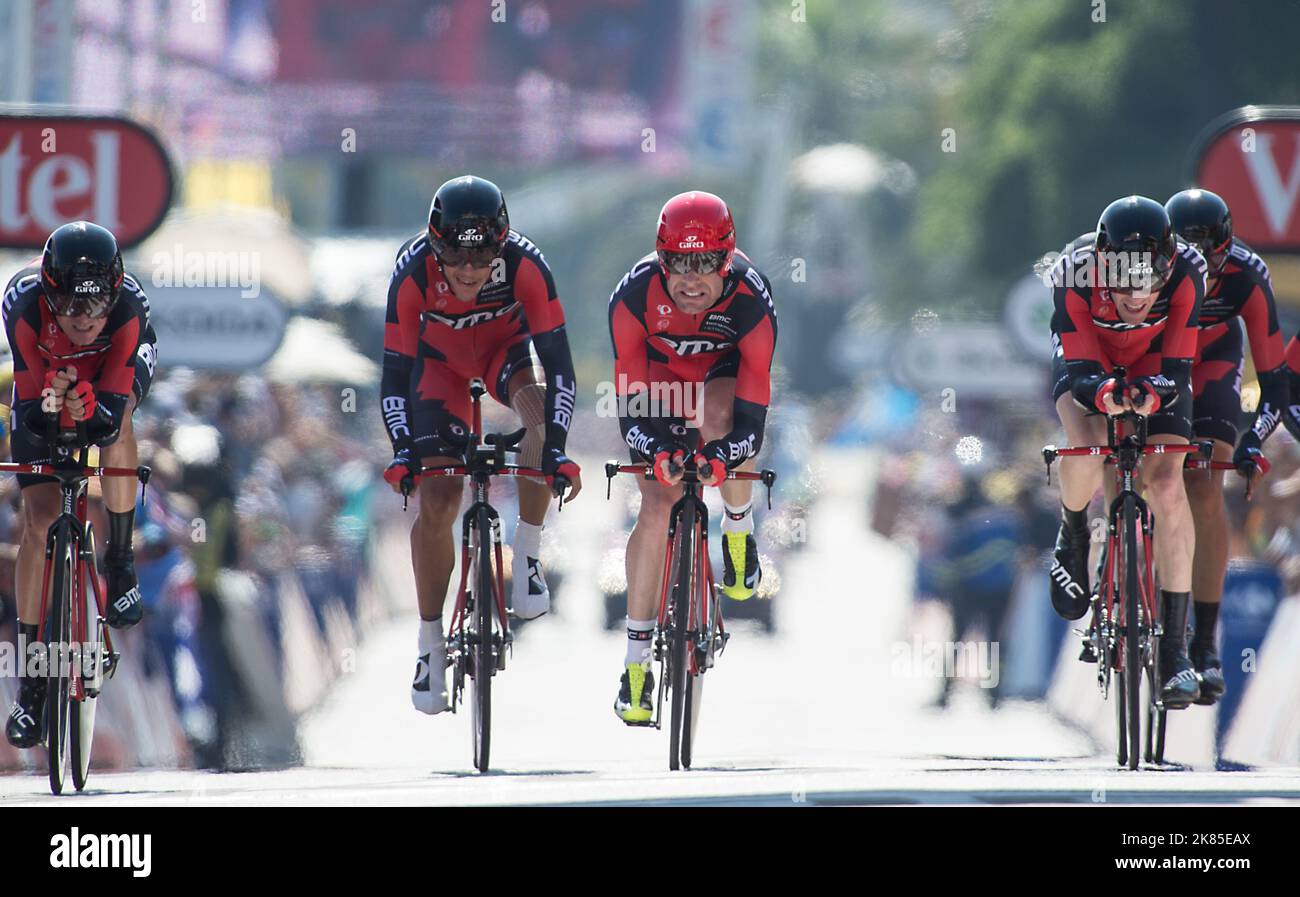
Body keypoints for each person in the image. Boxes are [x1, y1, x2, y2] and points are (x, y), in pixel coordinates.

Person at [379, 175, 581, 715]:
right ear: (434, 244)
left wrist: (555, 448)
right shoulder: (411, 272)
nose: (469, 270)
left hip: (504, 357)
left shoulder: (528, 266)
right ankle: (429, 643)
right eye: (455, 257)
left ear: (503, 243)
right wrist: (404, 451)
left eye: (482, 257)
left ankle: (530, 553)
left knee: (538, 415)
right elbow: (395, 377)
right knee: (439, 499)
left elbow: (560, 367)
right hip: (436, 373)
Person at [607, 190, 777, 724]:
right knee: (656, 505)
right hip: (657, 389)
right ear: (661, 259)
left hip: (720, 385)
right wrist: (655, 449)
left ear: (727, 261)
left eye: (705, 264)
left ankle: (738, 530)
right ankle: (636, 666)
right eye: (678, 262)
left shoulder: (751, 300)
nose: (691, 278)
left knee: (719, 417)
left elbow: (752, 418)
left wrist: (725, 455)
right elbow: (629, 406)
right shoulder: (633, 297)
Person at [3, 221, 158, 749]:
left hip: (111, 372)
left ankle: (119, 559)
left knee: (121, 426)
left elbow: (109, 416)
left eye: (95, 307)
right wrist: (57, 408)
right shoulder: (22, 304)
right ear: (48, 294)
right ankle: (31, 683)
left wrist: (90, 410)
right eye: (69, 305)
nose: (84, 319)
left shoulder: (129, 310)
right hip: (43, 378)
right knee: (40, 522)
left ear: (114, 294)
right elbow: (28, 414)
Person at [1047, 196, 1205, 708]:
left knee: (1164, 483)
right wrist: (1104, 395)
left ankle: (1177, 652)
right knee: (1089, 445)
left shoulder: (1188, 272)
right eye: (1123, 288)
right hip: (1088, 357)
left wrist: (1152, 394)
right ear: (1100, 266)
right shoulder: (1072, 272)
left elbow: (1179, 369)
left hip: (1157, 361)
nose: (1136, 299)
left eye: (1149, 287)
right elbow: (1079, 371)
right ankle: (1073, 533)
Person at [1165, 188, 1287, 706]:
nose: (1203, 273)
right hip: (1154, 352)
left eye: (1211, 262)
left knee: (1203, 484)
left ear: (1228, 247)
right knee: (1131, 455)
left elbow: (1276, 381)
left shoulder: (1247, 273)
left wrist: (1252, 442)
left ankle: (1203, 644)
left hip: (1212, 357)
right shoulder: (1146, 262)